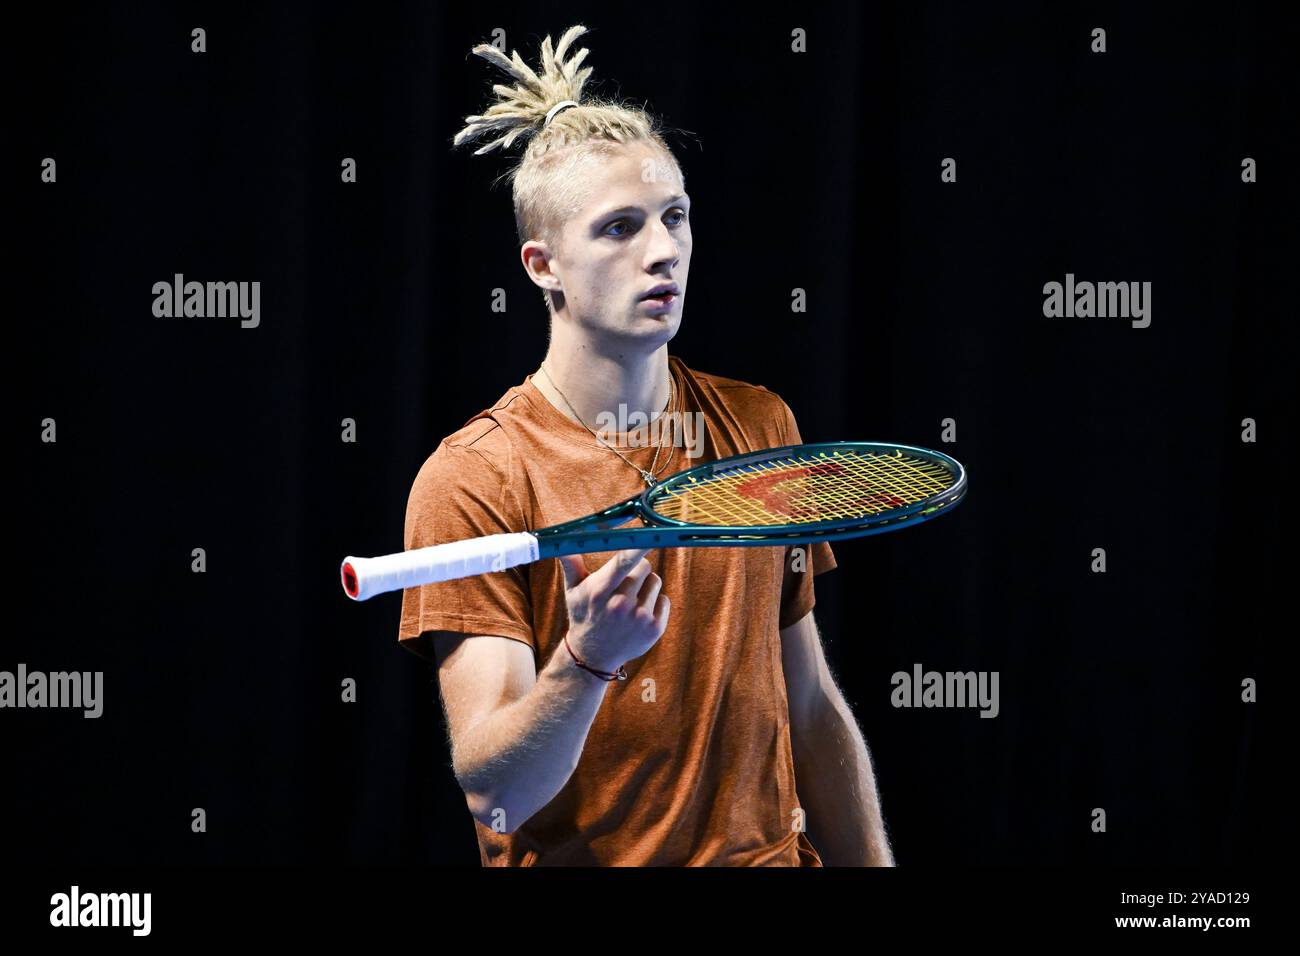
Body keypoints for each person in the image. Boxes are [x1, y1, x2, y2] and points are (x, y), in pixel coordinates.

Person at [398, 24, 893, 866]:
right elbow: (498, 795)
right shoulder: (474, 478)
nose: (662, 250)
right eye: (619, 228)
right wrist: (588, 661)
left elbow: (807, 706)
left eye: (674, 217)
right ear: (542, 265)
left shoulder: (760, 429)